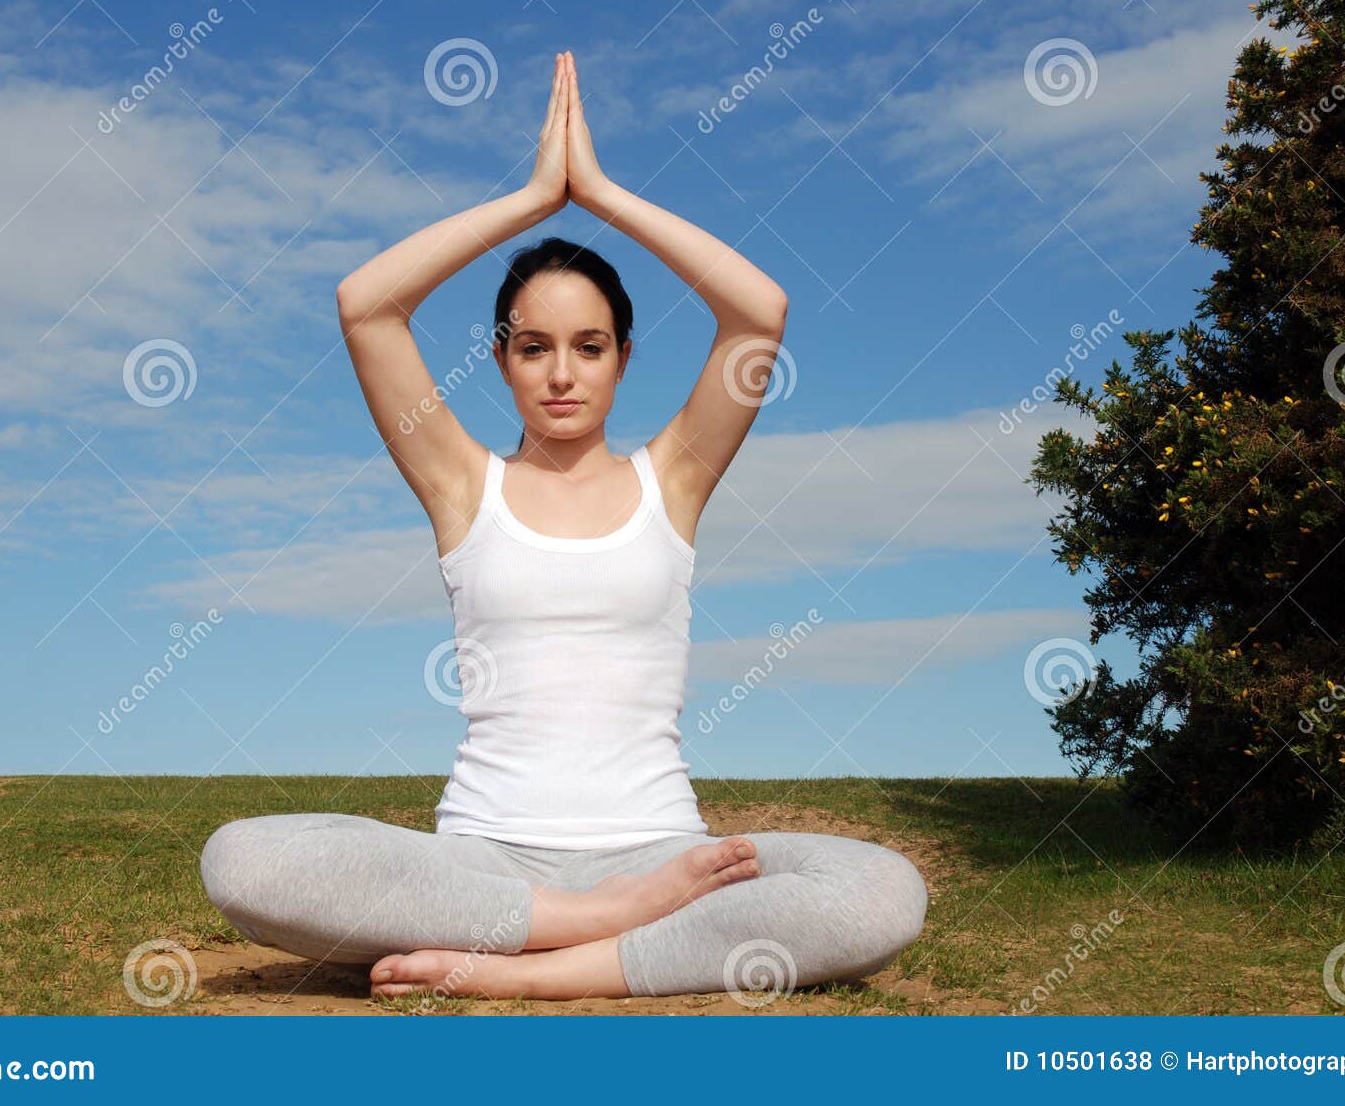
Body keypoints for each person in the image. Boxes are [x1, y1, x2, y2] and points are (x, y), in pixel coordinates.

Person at [199, 50, 927, 1002]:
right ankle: (593, 930)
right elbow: (366, 306)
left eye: (589, 347)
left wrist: (604, 195)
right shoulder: (463, 484)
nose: (561, 374)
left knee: (881, 892)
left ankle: (534, 971)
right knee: (241, 861)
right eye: (533, 347)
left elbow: (759, 309)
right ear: (500, 359)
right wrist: (537, 198)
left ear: (624, 357)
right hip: (486, 866)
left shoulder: (676, 479)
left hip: (666, 852)